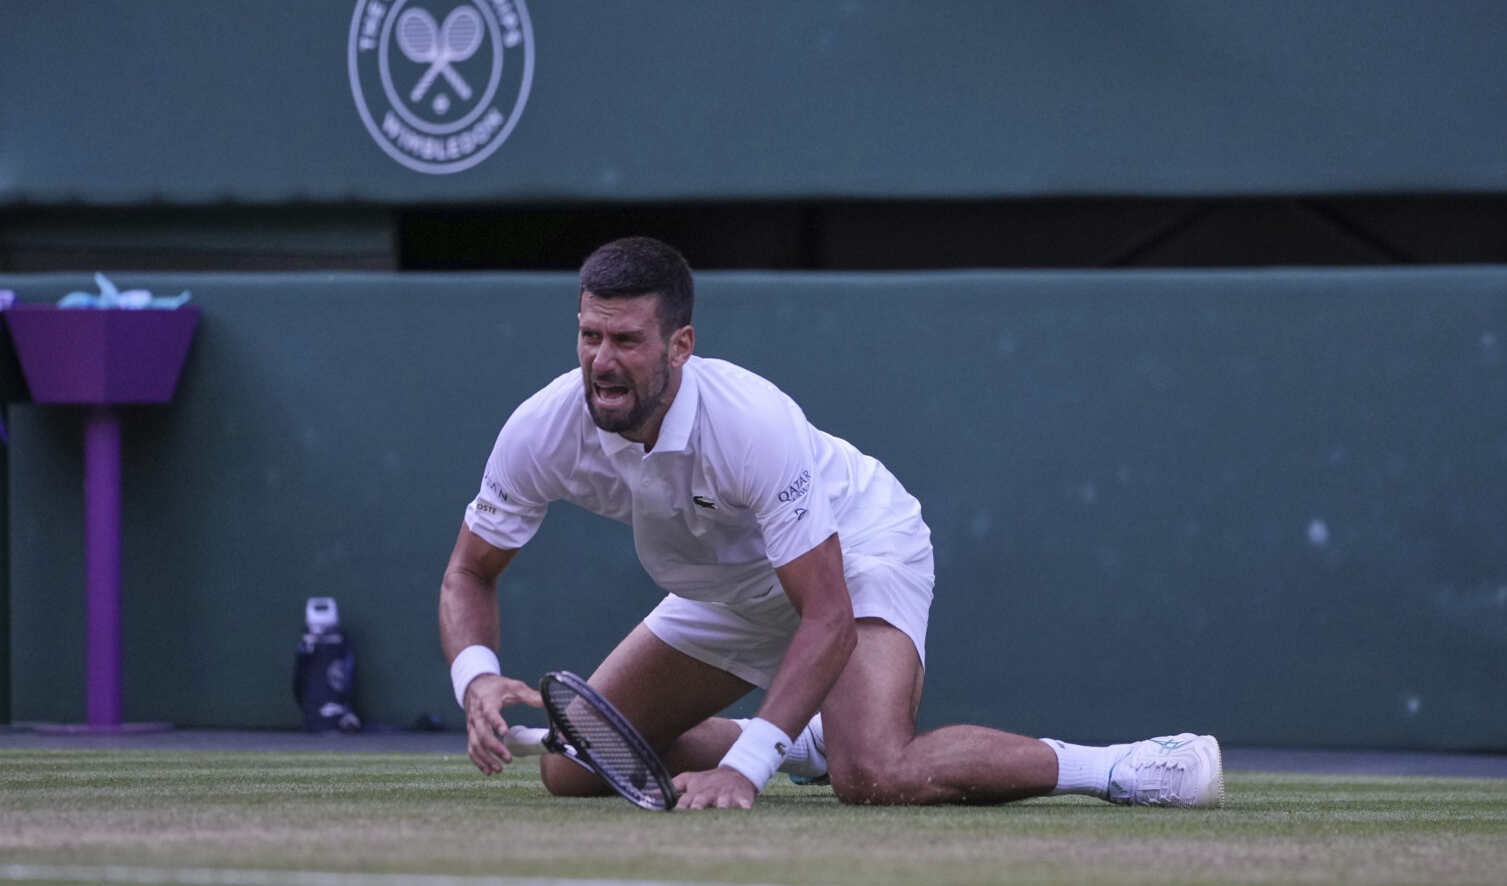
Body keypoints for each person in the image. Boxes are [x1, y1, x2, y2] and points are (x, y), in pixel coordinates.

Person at [439, 236, 1222, 810]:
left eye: (627, 341)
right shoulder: (543, 428)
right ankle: (803, 738)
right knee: (576, 768)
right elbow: (470, 572)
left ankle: (1118, 766)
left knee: (873, 774)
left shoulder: (750, 423)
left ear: (681, 346)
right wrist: (474, 678)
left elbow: (826, 613)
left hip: (854, 553)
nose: (602, 362)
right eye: (589, 336)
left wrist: (745, 770)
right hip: (724, 592)